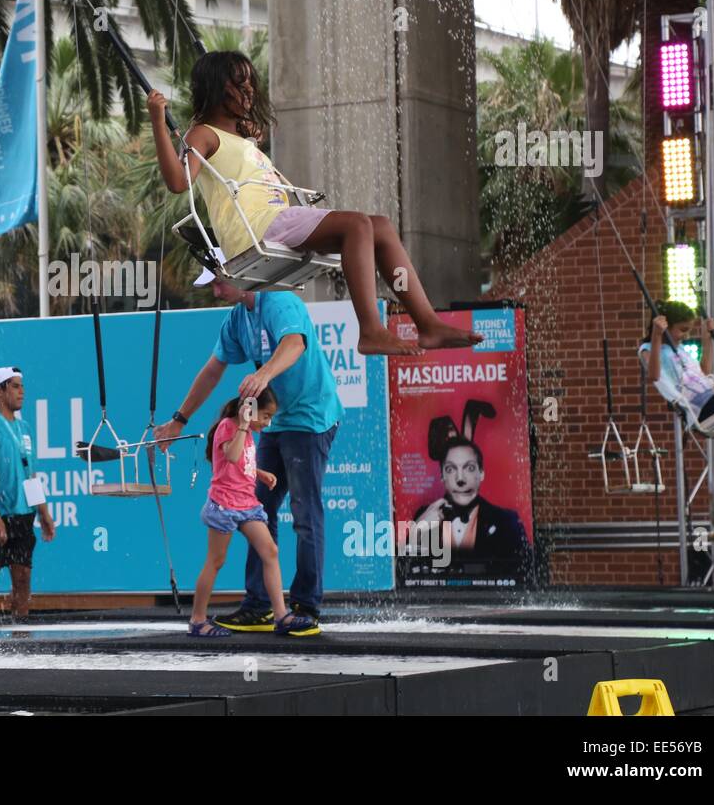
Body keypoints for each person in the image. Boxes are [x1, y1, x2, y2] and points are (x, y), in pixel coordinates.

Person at [148, 50, 481, 357]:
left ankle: (427, 323)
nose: (248, 91)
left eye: (251, 83)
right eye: (239, 84)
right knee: (357, 225)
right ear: (216, 90)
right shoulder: (201, 135)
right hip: (257, 228)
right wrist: (158, 122)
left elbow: (245, 138)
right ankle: (370, 330)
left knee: (379, 226)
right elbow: (179, 182)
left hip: (277, 220)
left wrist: (245, 132)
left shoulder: (238, 136)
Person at [153, 264, 340, 632]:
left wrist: (264, 374)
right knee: (256, 508)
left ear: (241, 273)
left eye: (219, 283)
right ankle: (261, 605)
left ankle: (306, 604)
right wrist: (179, 419)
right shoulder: (238, 318)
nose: (216, 291)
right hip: (276, 422)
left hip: (311, 417)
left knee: (304, 513)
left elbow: (295, 344)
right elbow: (212, 369)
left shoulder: (278, 299)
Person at [189, 389, 319, 638]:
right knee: (216, 561)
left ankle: (281, 616)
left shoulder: (247, 432)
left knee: (270, 551)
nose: (268, 423)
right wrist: (243, 425)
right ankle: (197, 620)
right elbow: (231, 455)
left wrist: (259, 473)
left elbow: (241, 463)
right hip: (224, 505)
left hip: (247, 504)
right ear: (249, 411)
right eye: (266, 416)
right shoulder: (229, 427)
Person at [0, 367, 56, 622]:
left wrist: (44, 513)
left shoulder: (23, 427)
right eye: (15, 386)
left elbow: (30, 474)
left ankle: (21, 636)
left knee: (23, 578)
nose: (22, 391)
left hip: (22, 515)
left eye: (22, 386)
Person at [411, 438, 528, 559]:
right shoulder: (424, 516)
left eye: (470, 468)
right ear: (442, 476)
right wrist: (417, 532)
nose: (460, 479)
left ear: (481, 473)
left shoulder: (507, 521)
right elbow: (402, 571)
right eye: (450, 469)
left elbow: (523, 572)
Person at [641, 300, 714, 427]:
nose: (687, 336)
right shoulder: (648, 348)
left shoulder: (680, 348)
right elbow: (654, 376)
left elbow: (704, 374)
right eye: (683, 330)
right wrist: (657, 336)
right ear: (666, 326)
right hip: (700, 407)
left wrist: (707, 340)